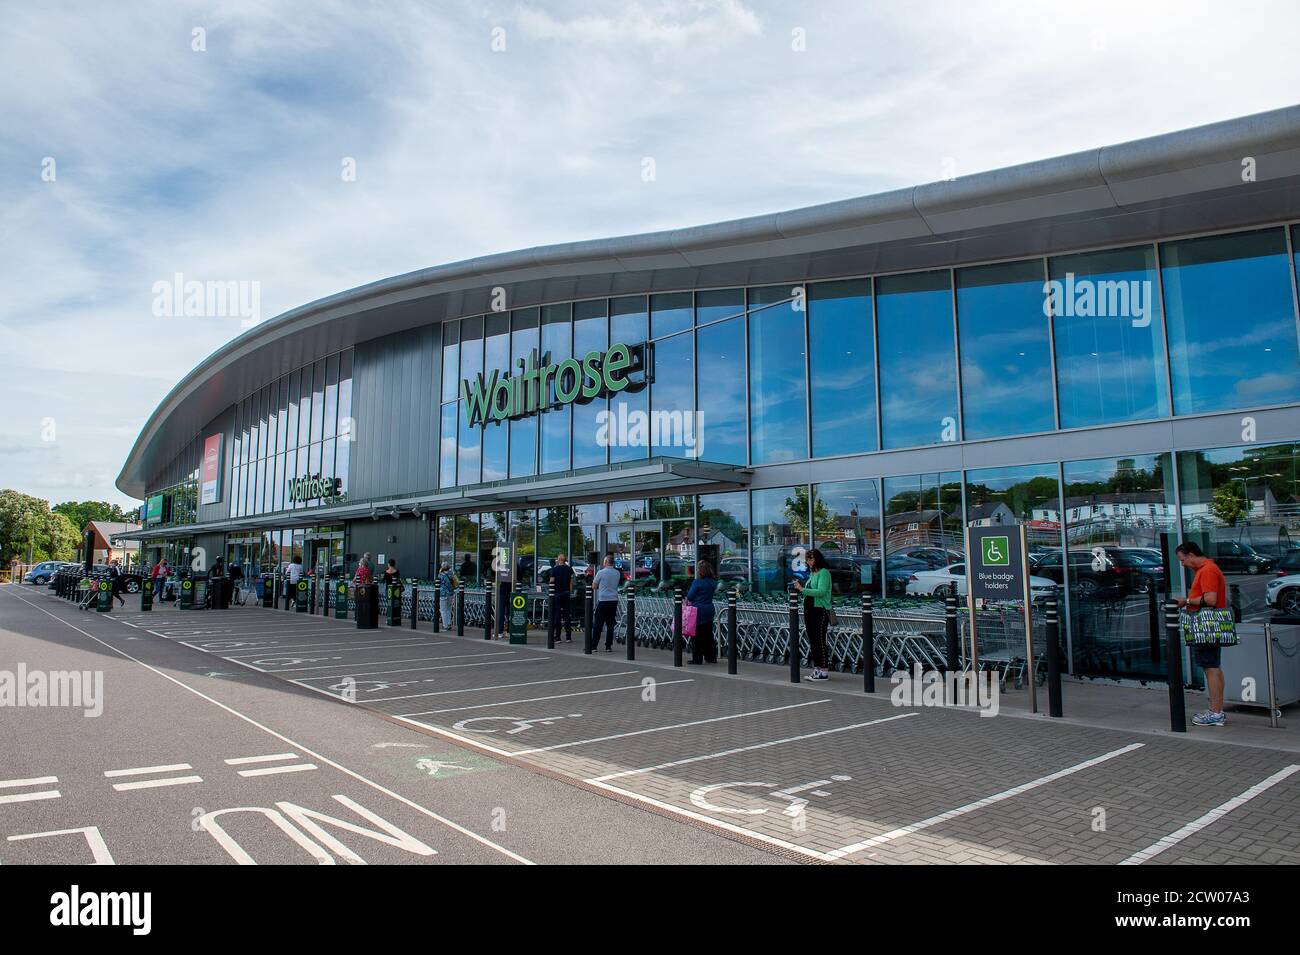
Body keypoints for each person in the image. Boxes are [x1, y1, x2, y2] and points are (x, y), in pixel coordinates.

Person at [1176, 541, 1230, 727]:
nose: (1182, 564)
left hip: (1205, 625)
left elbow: (1210, 599)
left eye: (1183, 560)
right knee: (1213, 665)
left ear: (1191, 555)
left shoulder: (1207, 570)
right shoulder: (1208, 569)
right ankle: (1217, 709)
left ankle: (1215, 712)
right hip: (1210, 625)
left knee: (1210, 667)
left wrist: (1187, 601)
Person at [794, 548, 832, 680]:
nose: (809, 562)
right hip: (810, 609)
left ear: (817, 559)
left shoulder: (824, 573)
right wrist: (802, 588)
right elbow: (811, 589)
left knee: (819, 639)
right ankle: (817, 668)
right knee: (812, 639)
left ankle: (824, 670)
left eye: (811, 559)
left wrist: (802, 589)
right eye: (808, 559)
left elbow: (821, 591)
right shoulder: (813, 573)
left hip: (820, 609)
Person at [687, 560, 719, 664]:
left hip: (697, 611)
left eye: (698, 569)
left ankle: (697, 658)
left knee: (696, 635)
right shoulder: (713, 582)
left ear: (701, 571)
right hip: (709, 609)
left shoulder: (697, 582)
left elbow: (690, 596)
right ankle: (711, 657)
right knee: (708, 634)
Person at [592, 555, 622, 651]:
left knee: (598, 623)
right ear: (613, 563)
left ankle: (594, 645)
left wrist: (600, 586)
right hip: (613, 600)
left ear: (605, 562)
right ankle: (608, 646)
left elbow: (594, 586)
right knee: (610, 624)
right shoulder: (617, 573)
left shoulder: (601, 572)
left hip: (603, 600)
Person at [549, 553, 574, 641]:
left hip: (557, 594)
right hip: (566, 593)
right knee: (567, 616)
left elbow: (552, 581)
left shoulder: (554, 570)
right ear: (565, 560)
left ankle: (558, 637)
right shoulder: (569, 569)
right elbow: (571, 582)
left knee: (557, 616)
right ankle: (568, 637)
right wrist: (570, 592)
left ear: (558, 560)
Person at [437, 562, 455, 629]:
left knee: (443, 610)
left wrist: (440, 572)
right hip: (451, 593)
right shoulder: (451, 574)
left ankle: (445, 625)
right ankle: (449, 623)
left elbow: (439, 582)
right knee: (449, 609)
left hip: (443, 594)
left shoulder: (441, 575)